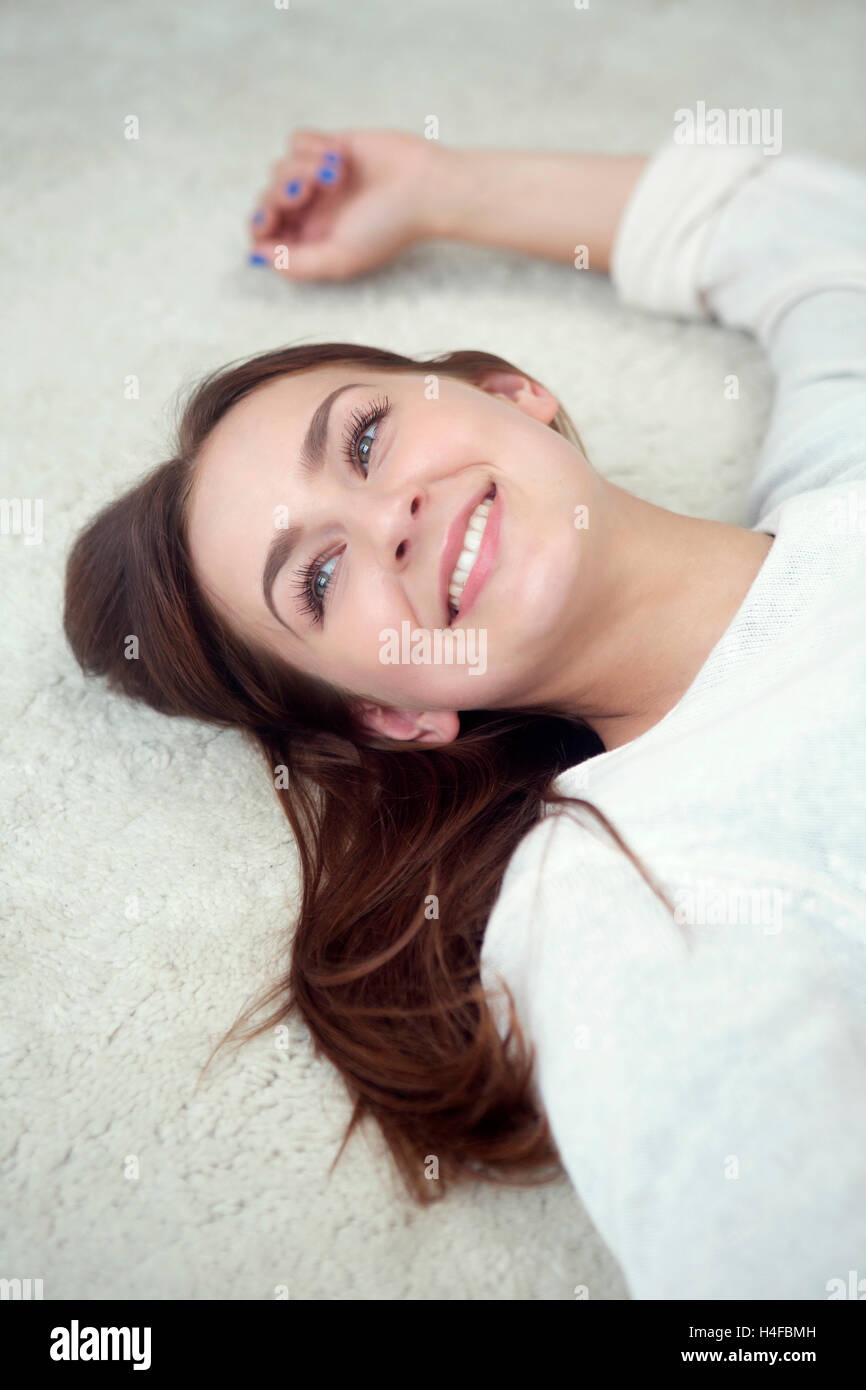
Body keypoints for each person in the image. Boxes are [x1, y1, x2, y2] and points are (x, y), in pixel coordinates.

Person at [64, 127, 866, 1299]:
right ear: (394, 712)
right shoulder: (621, 890)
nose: (385, 516)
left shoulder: (836, 470)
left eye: (366, 436)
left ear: (510, 394)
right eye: (320, 580)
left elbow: (799, 228)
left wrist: (440, 187)